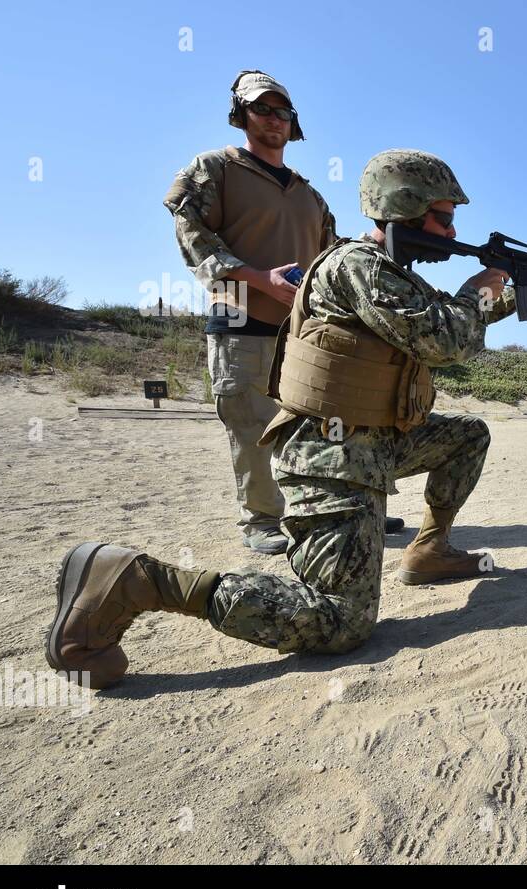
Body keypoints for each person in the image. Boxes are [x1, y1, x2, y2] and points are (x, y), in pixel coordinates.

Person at [47, 149, 527, 689]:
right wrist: (483, 284)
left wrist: (518, 292)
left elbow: (436, 318)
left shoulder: (390, 274)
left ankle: (430, 551)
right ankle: (139, 581)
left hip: (376, 441)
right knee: (340, 621)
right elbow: (445, 338)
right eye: (444, 217)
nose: (453, 229)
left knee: (466, 436)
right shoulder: (358, 267)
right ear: (406, 209)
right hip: (331, 456)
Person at [164, 70, 406, 554]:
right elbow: (191, 233)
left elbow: (334, 257)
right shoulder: (215, 169)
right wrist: (260, 279)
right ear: (241, 114)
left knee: (323, 426)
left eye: (282, 112)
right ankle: (261, 522)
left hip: (306, 333)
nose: (273, 119)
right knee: (253, 424)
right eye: (262, 109)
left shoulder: (309, 194)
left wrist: (385, 240)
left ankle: (337, 509)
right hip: (242, 324)